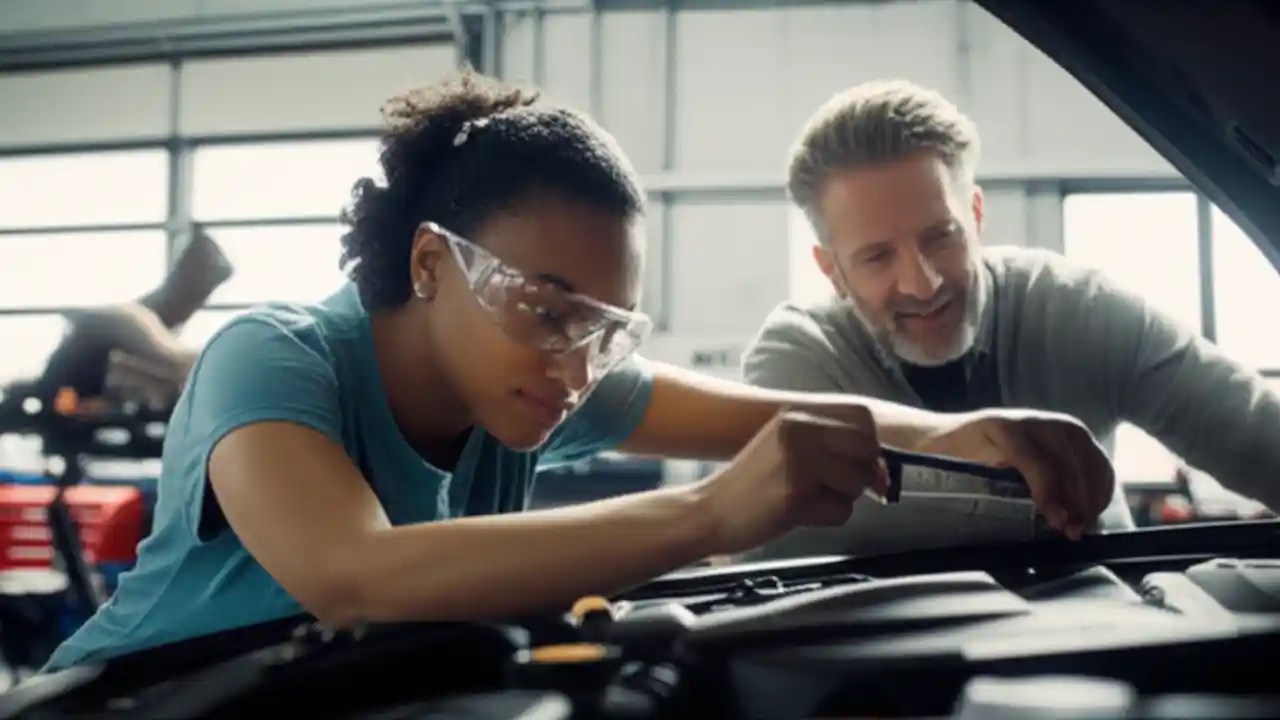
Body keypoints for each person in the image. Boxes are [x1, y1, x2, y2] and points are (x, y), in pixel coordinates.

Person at [43, 72, 1115, 672]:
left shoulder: (533, 374)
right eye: (548, 307)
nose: (573, 359)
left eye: (603, 327)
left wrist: (957, 434)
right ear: (429, 263)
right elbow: (353, 574)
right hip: (118, 704)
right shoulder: (272, 357)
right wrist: (708, 515)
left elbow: (773, 415)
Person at [741, 78, 1280, 559]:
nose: (922, 283)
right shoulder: (799, 361)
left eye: (940, 236)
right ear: (831, 269)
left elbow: (1256, 430)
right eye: (878, 257)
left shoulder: (1073, 308)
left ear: (975, 216)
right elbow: (759, 557)